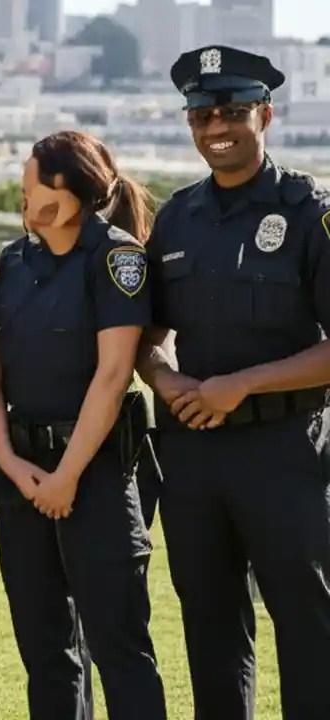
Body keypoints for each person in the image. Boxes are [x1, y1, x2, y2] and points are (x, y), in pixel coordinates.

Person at [135, 45, 330, 720]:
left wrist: (240, 385)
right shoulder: (177, 218)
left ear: (266, 115)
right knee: (210, 623)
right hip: (192, 454)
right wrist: (167, 381)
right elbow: (148, 339)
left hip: (286, 451)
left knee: (307, 623)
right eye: (202, 112)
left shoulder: (310, 211)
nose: (217, 124)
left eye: (235, 110)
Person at [0, 131, 167, 719]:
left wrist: (66, 477)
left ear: (63, 193)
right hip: (21, 480)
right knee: (46, 654)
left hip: (97, 481)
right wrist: (10, 464)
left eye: (28, 186)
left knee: (121, 652)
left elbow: (113, 378)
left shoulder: (117, 259)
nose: (21, 198)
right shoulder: (13, 261)